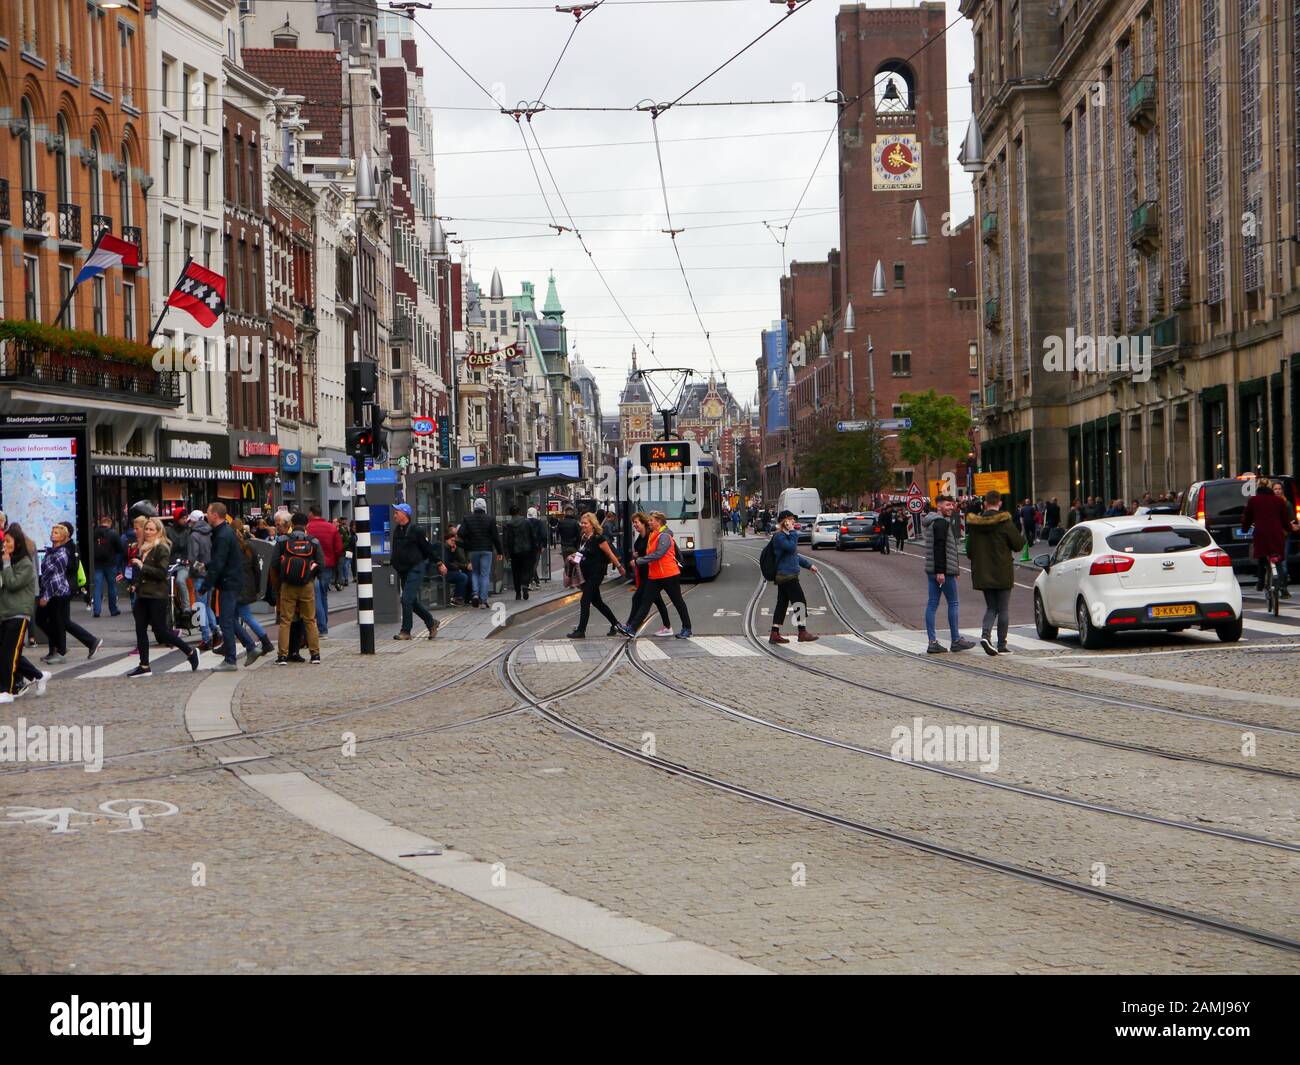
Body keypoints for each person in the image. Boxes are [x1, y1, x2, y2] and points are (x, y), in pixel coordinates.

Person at [125, 518, 200, 678]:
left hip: (157, 595)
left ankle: (190, 651)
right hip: (143, 595)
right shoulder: (143, 548)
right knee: (140, 630)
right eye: (146, 529)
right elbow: (141, 574)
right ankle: (144, 666)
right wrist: (135, 585)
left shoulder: (162, 548)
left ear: (159, 531)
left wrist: (142, 565)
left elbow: (161, 573)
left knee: (161, 632)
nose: (148, 532)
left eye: (152, 529)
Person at [966, 490, 1025, 656]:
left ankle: (985, 635)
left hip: (983, 572)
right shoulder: (1005, 522)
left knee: (991, 607)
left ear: (985, 503)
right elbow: (1018, 545)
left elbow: (969, 551)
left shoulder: (975, 524)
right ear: (999, 503)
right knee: (1003, 608)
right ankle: (1002, 644)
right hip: (1002, 570)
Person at [200, 502, 255, 671]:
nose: (206, 515)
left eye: (208, 512)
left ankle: (231, 660)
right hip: (231, 581)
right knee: (229, 619)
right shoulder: (223, 532)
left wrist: (205, 585)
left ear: (215, 515)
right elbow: (220, 560)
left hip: (228, 582)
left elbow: (219, 562)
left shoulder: (222, 535)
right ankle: (251, 647)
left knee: (225, 621)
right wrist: (208, 566)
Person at [37, 523, 102, 664]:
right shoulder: (53, 550)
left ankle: (65, 648)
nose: (53, 534)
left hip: (62, 589)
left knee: (60, 621)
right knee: (56, 621)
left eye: (57, 532)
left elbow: (69, 568)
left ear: (65, 535)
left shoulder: (67, 549)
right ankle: (58, 649)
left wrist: (47, 594)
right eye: (52, 531)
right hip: (53, 590)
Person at [620, 511, 692, 639]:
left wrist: (639, 561)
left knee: (677, 601)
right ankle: (632, 628)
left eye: (651, 520)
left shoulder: (664, 536)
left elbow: (659, 554)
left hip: (669, 575)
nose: (649, 522)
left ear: (658, 521)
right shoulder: (653, 535)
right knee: (645, 602)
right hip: (655, 576)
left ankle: (687, 628)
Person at [0, 525, 49, 701]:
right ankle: (39, 676)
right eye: (4, 541)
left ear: (17, 543)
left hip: (19, 614)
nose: (5, 544)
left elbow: (13, 583)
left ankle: (7, 690)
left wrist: (5, 564)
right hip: (5, 613)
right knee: (8, 653)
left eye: (8, 541)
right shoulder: (9, 562)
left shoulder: (25, 564)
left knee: (9, 655)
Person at [923, 496, 976, 654]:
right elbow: (940, 548)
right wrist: (942, 571)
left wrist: (955, 570)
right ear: (938, 506)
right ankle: (956, 640)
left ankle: (932, 642)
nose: (951, 507)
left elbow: (942, 548)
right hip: (942, 571)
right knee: (953, 603)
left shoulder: (931, 521)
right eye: (947, 505)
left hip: (934, 570)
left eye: (952, 505)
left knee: (932, 604)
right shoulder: (941, 523)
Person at [273, 512, 323, 664]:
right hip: (306, 585)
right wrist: (310, 576)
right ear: (306, 525)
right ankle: (315, 654)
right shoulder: (313, 541)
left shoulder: (282, 541)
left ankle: (282, 655)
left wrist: (283, 577)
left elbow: (274, 563)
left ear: (292, 525)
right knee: (310, 620)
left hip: (287, 585)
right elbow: (321, 564)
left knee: (286, 621)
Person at [566, 511, 626, 638]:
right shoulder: (583, 538)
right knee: (598, 602)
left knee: (585, 601)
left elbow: (610, 554)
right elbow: (581, 554)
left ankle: (581, 631)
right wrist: (573, 557)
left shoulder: (599, 538)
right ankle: (616, 624)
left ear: (592, 524)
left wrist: (620, 567)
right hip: (586, 574)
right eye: (582, 523)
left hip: (596, 574)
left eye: (586, 523)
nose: (583, 525)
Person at [390, 503, 441, 640]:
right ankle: (431, 622)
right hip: (403, 570)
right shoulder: (397, 530)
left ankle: (405, 631)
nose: (394, 515)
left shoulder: (416, 530)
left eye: (397, 512)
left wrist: (439, 562)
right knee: (411, 601)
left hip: (416, 568)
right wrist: (394, 563)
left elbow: (427, 548)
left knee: (405, 599)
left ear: (404, 514)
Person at [766, 510, 818, 644]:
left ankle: (774, 633)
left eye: (793, 519)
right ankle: (802, 632)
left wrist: (808, 565)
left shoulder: (786, 536)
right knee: (800, 602)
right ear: (784, 521)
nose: (793, 521)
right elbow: (791, 548)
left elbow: (794, 555)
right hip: (787, 575)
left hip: (787, 575)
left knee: (782, 604)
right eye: (790, 519)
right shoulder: (779, 537)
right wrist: (793, 532)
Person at [1242, 479, 1299, 595]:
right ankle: (1283, 587)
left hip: (1261, 535)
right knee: (1279, 560)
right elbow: (1285, 521)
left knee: (1262, 558)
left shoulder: (1253, 500)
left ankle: (1260, 581)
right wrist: (1290, 529)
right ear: (1270, 487)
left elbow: (1247, 518)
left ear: (1258, 487)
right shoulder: (1278, 501)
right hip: (1277, 535)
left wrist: (1245, 529)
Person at [232, 519, 276, 662]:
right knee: (241, 616)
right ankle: (263, 642)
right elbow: (257, 570)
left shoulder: (234, 547)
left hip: (237, 588)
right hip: (248, 587)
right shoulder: (250, 545)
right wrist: (257, 587)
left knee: (239, 617)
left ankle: (263, 641)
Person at [305, 505, 343, 638]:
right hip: (327, 564)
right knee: (323, 594)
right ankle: (324, 623)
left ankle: (322, 627)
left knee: (316, 595)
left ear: (311, 513)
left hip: (311, 564)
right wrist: (333, 559)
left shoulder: (307, 528)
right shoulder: (331, 528)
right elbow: (339, 548)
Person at [458, 497, 502, 608]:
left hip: (473, 550)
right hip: (487, 549)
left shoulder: (467, 518)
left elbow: (461, 533)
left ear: (474, 507)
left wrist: (469, 540)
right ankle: (483, 600)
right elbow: (495, 537)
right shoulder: (490, 519)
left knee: (475, 573)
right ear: (484, 507)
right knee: (485, 574)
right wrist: (500, 551)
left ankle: (475, 594)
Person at [187, 509, 217, 650]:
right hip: (211, 572)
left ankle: (206, 637)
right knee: (207, 606)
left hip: (200, 575)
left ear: (193, 521)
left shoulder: (194, 535)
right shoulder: (211, 531)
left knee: (200, 606)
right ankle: (216, 631)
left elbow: (193, 557)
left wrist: (200, 569)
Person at [91, 515, 122, 618]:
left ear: (101, 522)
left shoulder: (94, 533)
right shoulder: (113, 533)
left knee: (97, 587)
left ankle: (97, 610)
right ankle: (113, 610)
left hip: (97, 564)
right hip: (110, 564)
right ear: (110, 523)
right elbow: (119, 548)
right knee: (112, 587)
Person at [503, 505, 536, 601]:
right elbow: (532, 536)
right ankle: (525, 584)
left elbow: (506, 541)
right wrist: (534, 547)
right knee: (527, 568)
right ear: (519, 512)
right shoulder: (527, 522)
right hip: (527, 550)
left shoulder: (508, 525)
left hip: (514, 552)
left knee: (516, 571)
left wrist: (507, 554)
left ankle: (518, 592)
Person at [441, 529, 471, 605]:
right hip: (445, 572)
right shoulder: (444, 549)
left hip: (450, 571)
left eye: (454, 541)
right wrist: (457, 568)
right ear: (446, 540)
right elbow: (447, 563)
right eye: (452, 540)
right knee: (463, 577)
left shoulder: (451, 548)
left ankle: (465, 597)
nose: (454, 542)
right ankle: (457, 597)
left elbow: (454, 560)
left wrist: (453, 552)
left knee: (467, 575)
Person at [527, 506, 548, 586]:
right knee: (534, 564)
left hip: (527, 546)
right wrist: (544, 545)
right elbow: (543, 535)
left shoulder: (525, 522)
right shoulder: (539, 523)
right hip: (537, 546)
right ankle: (534, 581)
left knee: (530, 564)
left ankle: (534, 581)